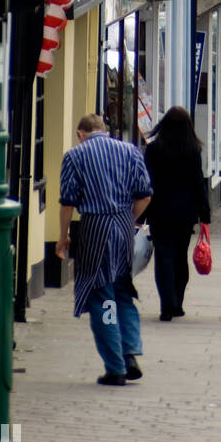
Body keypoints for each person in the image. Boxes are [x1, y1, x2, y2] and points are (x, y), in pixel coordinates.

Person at [56, 113, 152, 386]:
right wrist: (129, 220)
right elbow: (145, 193)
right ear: (105, 130)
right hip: (123, 227)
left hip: (94, 229)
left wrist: (62, 237)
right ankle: (130, 350)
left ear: (80, 133)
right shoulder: (129, 151)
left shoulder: (75, 156)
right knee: (123, 291)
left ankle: (116, 366)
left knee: (102, 297)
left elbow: (67, 202)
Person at [143, 107, 211, 322]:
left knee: (163, 257)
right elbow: (198, 182)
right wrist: (204, 213)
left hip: (159, 210)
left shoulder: (153, 150)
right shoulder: (192, 150)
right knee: (180, 256)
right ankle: (178, 302)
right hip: (185, 212)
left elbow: (146, 182)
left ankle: (166, 304)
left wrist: (140, 212)